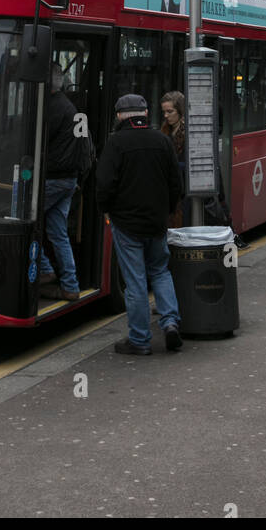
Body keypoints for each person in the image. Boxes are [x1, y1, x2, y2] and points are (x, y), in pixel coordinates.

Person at [96, 93, 183, 355]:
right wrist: (166, 211)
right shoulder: (162, 140)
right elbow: (175, 183)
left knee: (135, 281)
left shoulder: (116, 143)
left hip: (127, 223)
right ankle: (170, 323)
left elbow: (104, 184)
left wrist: (105, 210)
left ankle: (140, 339)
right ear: (145, 114)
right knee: (160, 271)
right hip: (156, 221)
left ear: (121, 116)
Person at [38, 65, 81, 302]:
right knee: (58, 233)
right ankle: (70, 286)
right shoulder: (68, 105)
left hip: (52, 178)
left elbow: (39, 138)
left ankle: (44, 269)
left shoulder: (54, 108)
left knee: (26, 223)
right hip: (68, 179)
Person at [160, 90, 186, 227]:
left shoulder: (188, 133)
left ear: (180, 110)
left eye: (170, 112)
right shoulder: (164, 131)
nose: (166, 116)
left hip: (183, 193)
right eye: (164, 112)